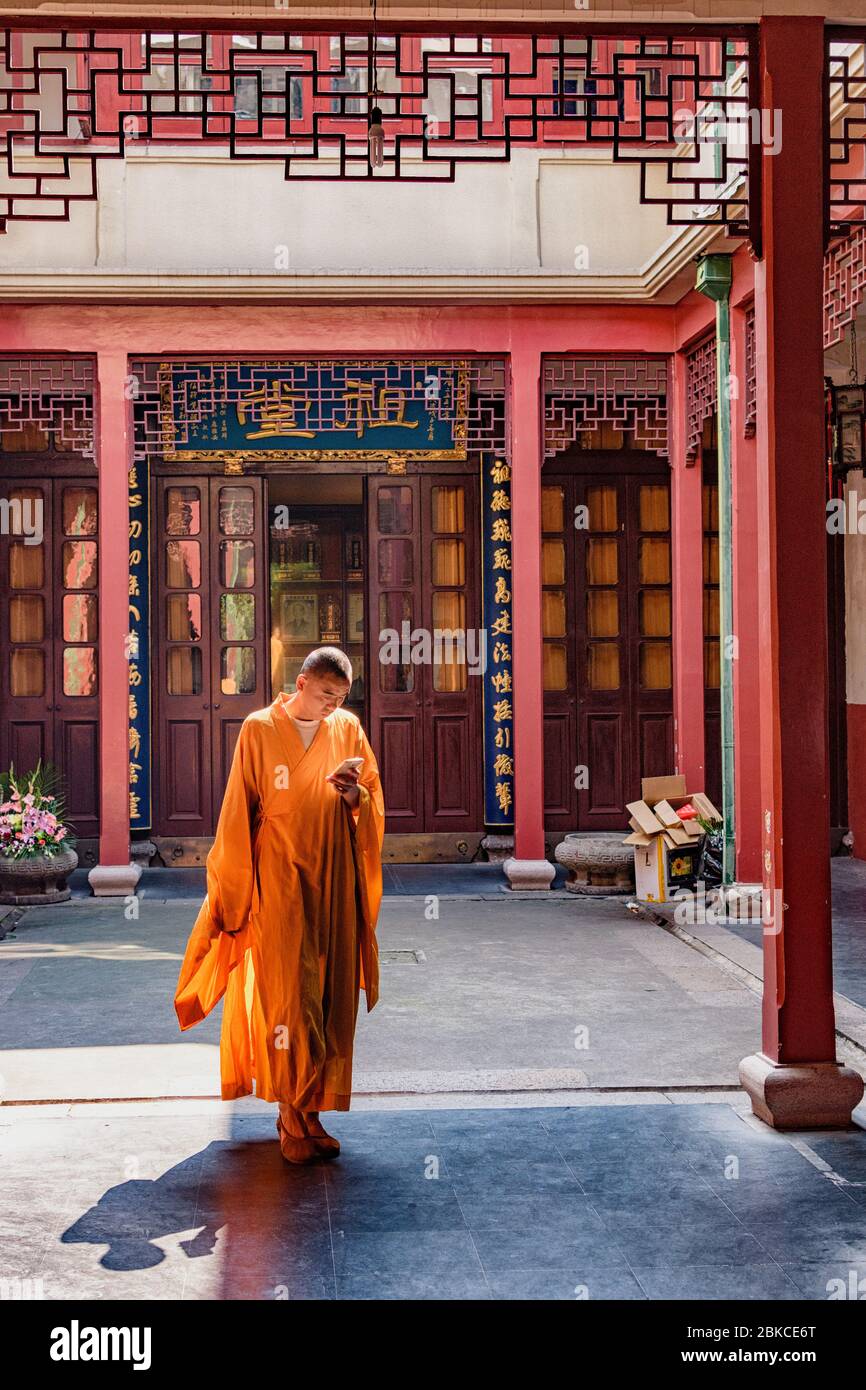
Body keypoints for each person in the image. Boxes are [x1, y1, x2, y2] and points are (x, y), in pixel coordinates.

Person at [174, 646, 385, 1163]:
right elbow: (236, 810)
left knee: (331, 994)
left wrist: (355, 796)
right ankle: (290, 1114)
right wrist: (233, 889)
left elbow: (372, 800)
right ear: (300, 683)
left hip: (333, 869)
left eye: (342, 697)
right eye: (326, 694)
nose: (334, 705)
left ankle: (312, 1112)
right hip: (279, 873)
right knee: (289, 995)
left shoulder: (348, 730)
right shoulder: (258, 728)